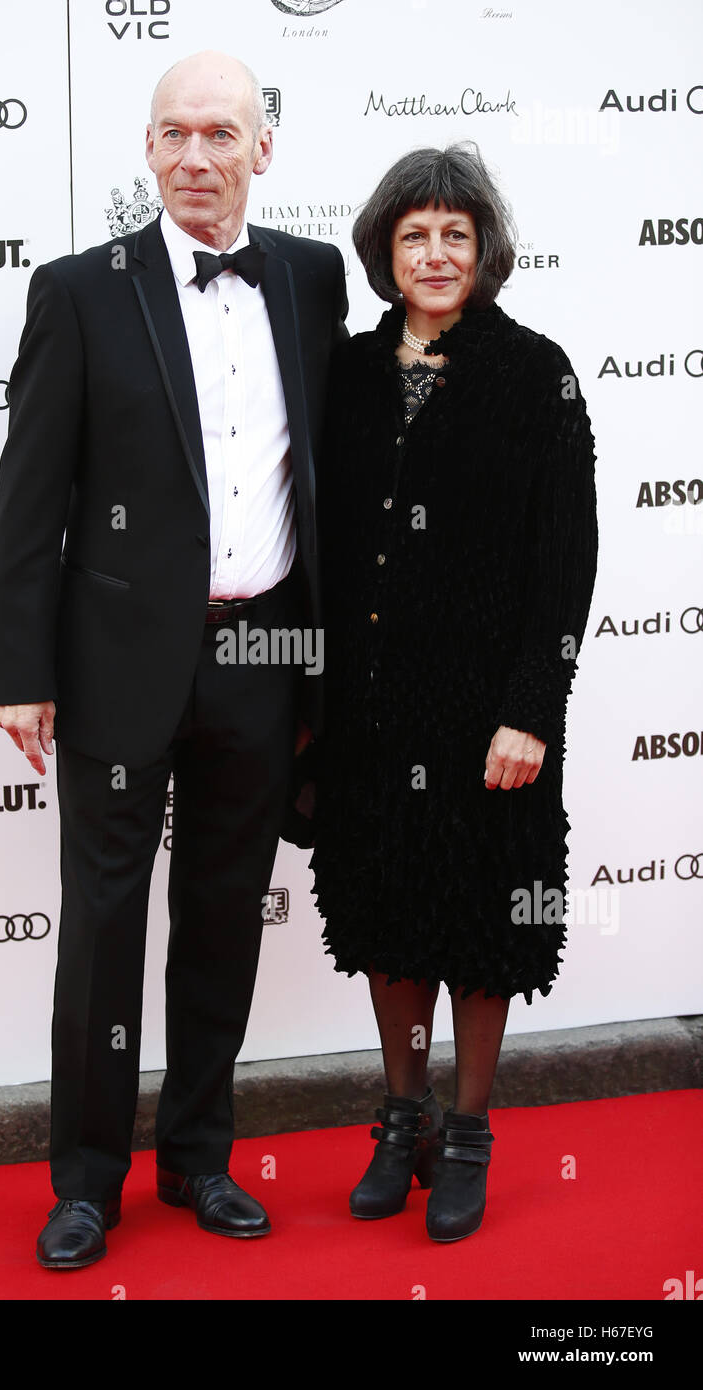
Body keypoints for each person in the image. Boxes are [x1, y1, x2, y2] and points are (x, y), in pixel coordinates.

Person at [0, 50, 348, 1268]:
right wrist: (19, 669)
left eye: (219, 134)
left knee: (223, 917)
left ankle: (199, 1158)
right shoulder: (81, 291)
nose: (196, 157)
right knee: (102, 925)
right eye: (173, 134)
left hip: (262, 652)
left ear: (261, 150)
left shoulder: (309, 279)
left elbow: (326, 474)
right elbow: (29, 503)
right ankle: (86, 1179)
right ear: (146, 150)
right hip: (115, 664)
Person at [309, 141, 598, 1242]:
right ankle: (402, 1115)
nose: (433, 252)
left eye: (454, 235)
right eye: (412, 234)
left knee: (482, 917)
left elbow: (565, 556)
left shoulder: (535, 372)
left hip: (490, 717)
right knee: (385, 912)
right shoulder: (343, 370)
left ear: (484, 252)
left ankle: (468, 1131)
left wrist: (531, 707)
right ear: (385, 251)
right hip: (371, 712)